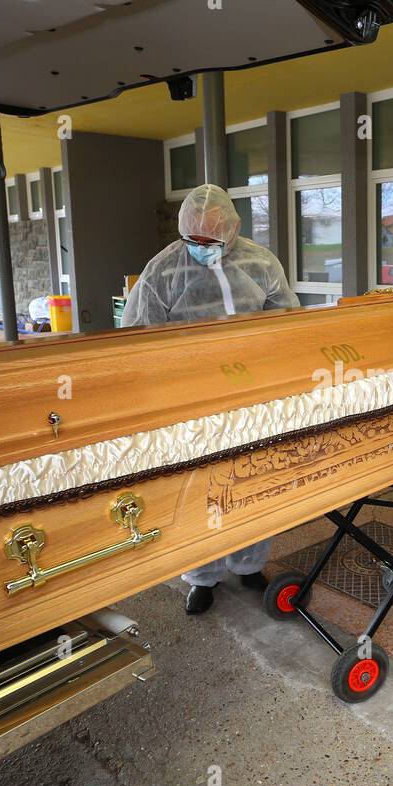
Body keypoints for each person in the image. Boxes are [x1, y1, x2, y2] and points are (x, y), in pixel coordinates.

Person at [121, 183, 300, 614]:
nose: (202, 248)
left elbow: (288, 321)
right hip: (194, 397)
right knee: (202, 488)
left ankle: (249, 563)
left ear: (234, 229)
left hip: (253, 395)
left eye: (212, 241)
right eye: (193, 240)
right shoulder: (162, 271)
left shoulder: (260, 263)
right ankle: (202, 576)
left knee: (256, 480)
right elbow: (136, 338)